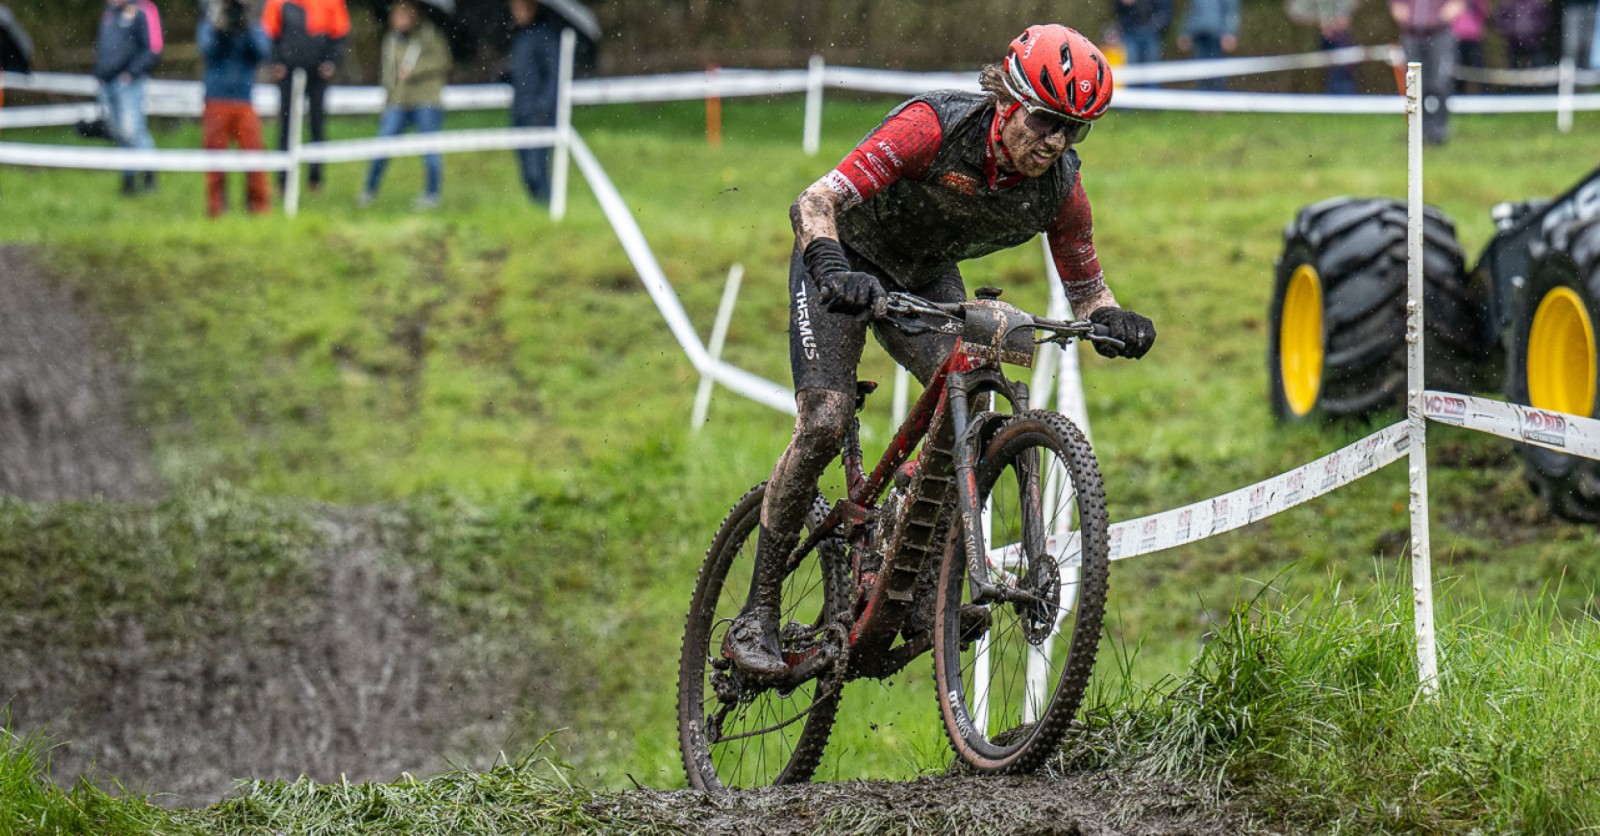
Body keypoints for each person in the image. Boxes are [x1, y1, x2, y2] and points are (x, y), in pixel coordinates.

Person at [723, 25, 1157, 679]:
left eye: (1074, 128)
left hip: (925, 278)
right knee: (825, 420)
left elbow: (1087, 289)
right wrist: (830, 264)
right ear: (1007, 98)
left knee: (976, 405)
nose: (1056, 141)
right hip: (844, 265)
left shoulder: (1059, 187)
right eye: (1046, 120)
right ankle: (756, 612)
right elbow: (814, 201)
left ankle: (919, 567)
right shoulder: (932, 127)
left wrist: (1113, 320)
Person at [359, 0, 451, 210]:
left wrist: (415, 70)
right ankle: (369, 191)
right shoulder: (391, 41)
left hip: (425, 99)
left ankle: (432, 194)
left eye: (403, 15)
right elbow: (388, 75)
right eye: (396, 16)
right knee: (383, 145)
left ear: (413, 16)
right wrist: (387, 100)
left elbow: (443, 62)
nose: (398, 20)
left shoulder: (430, 36)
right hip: (398, 101)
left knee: (430, 150)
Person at [262, 0, 349, 192]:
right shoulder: (278, 2)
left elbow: (340, 33)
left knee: (317, 125)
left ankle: (315, 179)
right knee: (286, 125)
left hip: (318, 72)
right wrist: (276, 61)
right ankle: (283, 180)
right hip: (287, 70)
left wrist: (331, 61)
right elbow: (269, 32)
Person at [199, 0, 272, 217]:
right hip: (216, 98)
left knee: (254, 155)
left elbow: (262, 51)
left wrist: (245, 27)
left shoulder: (252, 24)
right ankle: (216, 209)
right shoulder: (209, 23)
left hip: (244, 100)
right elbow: (208, 49)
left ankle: (259, 208)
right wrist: (221, 29)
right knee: (215, 158)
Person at [94, 0, 160, 196]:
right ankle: (128, 180)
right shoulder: (110, 13)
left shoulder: (144, 9)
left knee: (132, 131)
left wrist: (131, 73)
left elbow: (153, 48)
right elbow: (103, 47)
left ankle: (150, 177)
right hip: (107, 83)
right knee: (119, 134)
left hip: (129, 84)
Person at [505, 0, 560, 204]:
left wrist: (544, 106)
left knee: (537, 169)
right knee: (527, 169)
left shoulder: (546, 36)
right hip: (520, 110)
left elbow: (554, 75)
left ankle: (547, 206)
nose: (516, 12)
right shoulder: (520, 37)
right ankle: (539, 208)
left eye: (521, 7)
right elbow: (524, 74)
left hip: (538, 113)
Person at [1390, 0, 1463, 144]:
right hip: (1411, 34)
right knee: (1414, 86)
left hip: (1439, 34)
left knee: (1439, 84)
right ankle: (1418, 130)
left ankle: (1438, 131)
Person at [1286, 0, 1361, 93]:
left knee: (1341, 82)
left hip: (1342, 74)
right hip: (1337, 75)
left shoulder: (1342, 39)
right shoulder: (1332, 40)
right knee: (1337, 82)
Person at [1178, 0, 1241, 90]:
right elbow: (1192, 11)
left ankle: (1216, 97)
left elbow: (1231, 11)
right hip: (1199, 35)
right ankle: (1203, 98)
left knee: (1216, 72)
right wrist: (1187, 33)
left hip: (1217, 36)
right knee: (1201, 72)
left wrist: (1229, 33)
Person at [1493, 0, 1552, 68]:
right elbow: (1500, 19)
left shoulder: (1536, 4)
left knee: (1539, 68)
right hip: (1513, 44)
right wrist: (1509, 31)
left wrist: (1537, 30)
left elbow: (1545, 19)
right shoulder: (1508, 4)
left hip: (1534, 44)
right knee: (1513, 71)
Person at [1115, 0, 1173, 66]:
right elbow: (1118, 9)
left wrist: (1155, 25)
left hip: (1151, 33)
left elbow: (1165, 11)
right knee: (1132, 64)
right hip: (1130, 31)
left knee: (1152, 65)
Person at [1453, 0, 1489, 92]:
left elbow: (1485, 12)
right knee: (1458, 69)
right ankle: (1458, 92)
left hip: (1473, 38)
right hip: (1458, 38)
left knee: (1478, 69)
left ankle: (1484, 92)